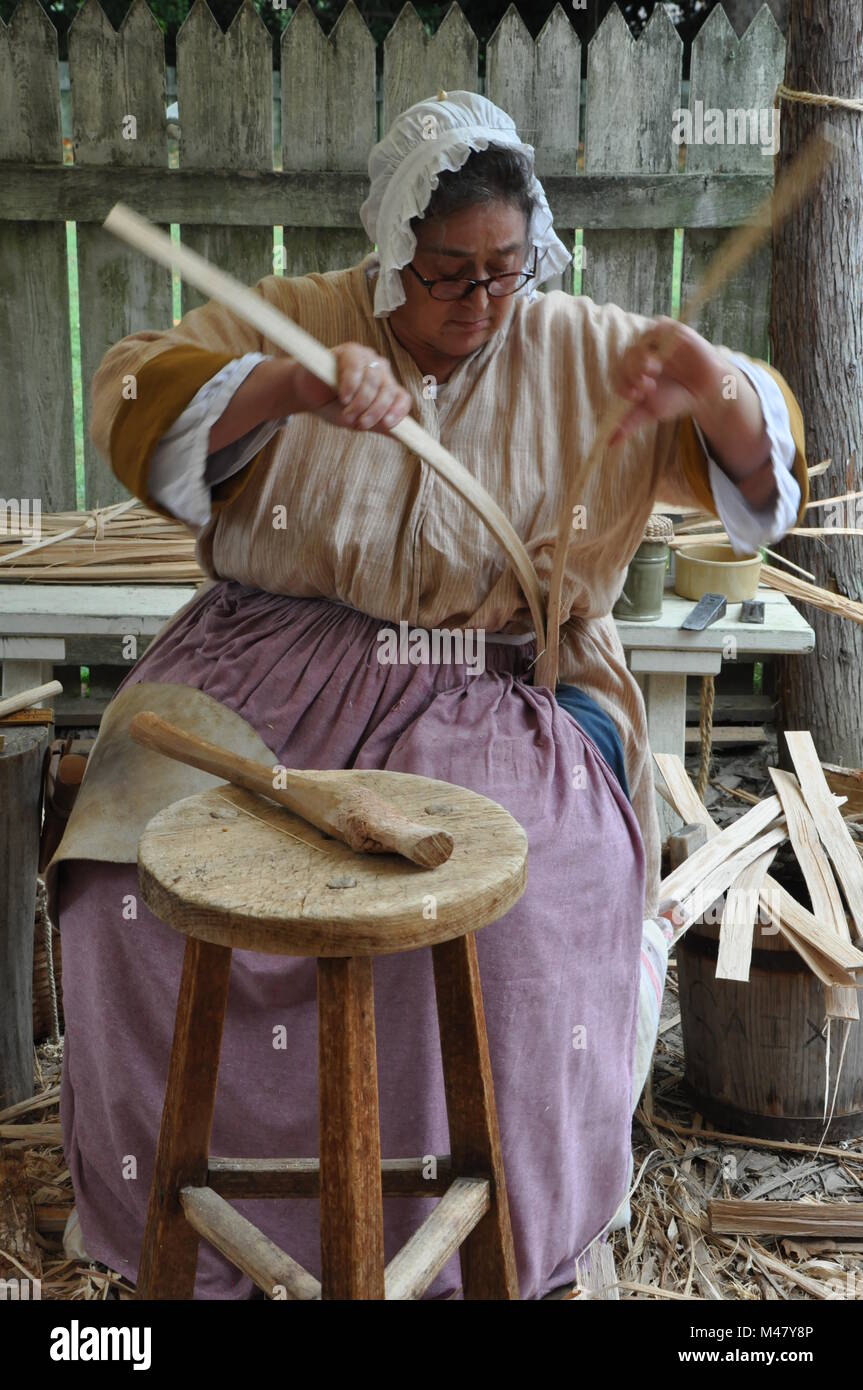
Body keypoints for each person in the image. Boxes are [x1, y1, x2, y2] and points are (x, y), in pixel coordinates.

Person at [55, 91, 807, 1300]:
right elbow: (134, 397)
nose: (478, 302)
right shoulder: (310, 320)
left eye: (504, 270)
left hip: (491, 680)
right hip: (262, 662)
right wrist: (288, 389)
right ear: (392, 245)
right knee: (122, 895)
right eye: (446, 271)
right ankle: (201, 1240)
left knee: (516, 920)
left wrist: (716, 390)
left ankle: (479, 1240)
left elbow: (760, 467)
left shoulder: (582, 349)